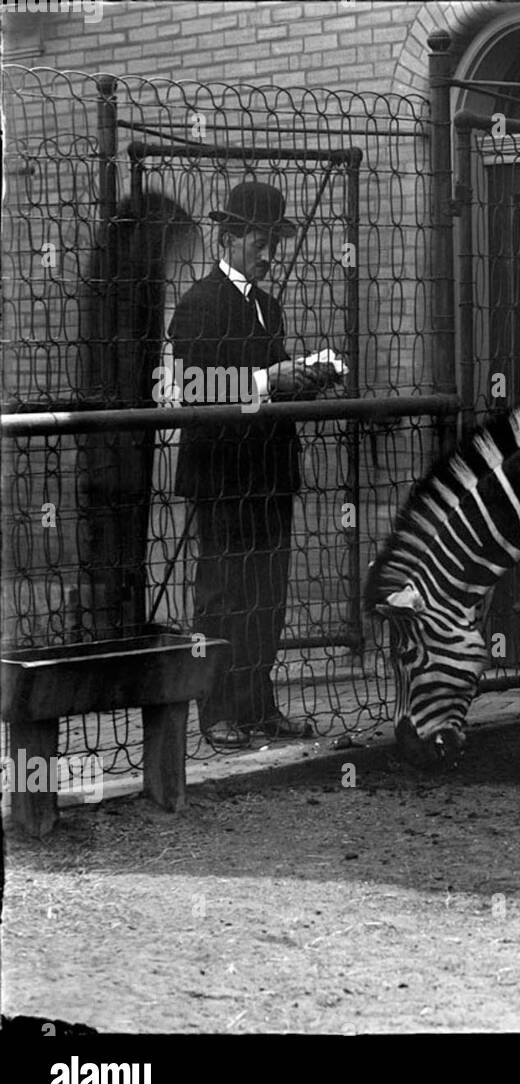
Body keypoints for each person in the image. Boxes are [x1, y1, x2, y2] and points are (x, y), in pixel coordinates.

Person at [168, 181, 341, 747]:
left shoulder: (268, 306)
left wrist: (306, 379)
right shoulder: (199, 303)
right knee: (224, 594)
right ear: (230, 238)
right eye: (260, 243)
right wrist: (271, 380)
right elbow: (194, 388)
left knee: (268, 593)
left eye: (274, 244)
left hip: (268, 473)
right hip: (222, 476)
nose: (269, 256)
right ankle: (216, 712)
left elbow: (264, 386)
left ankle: (258, 705)